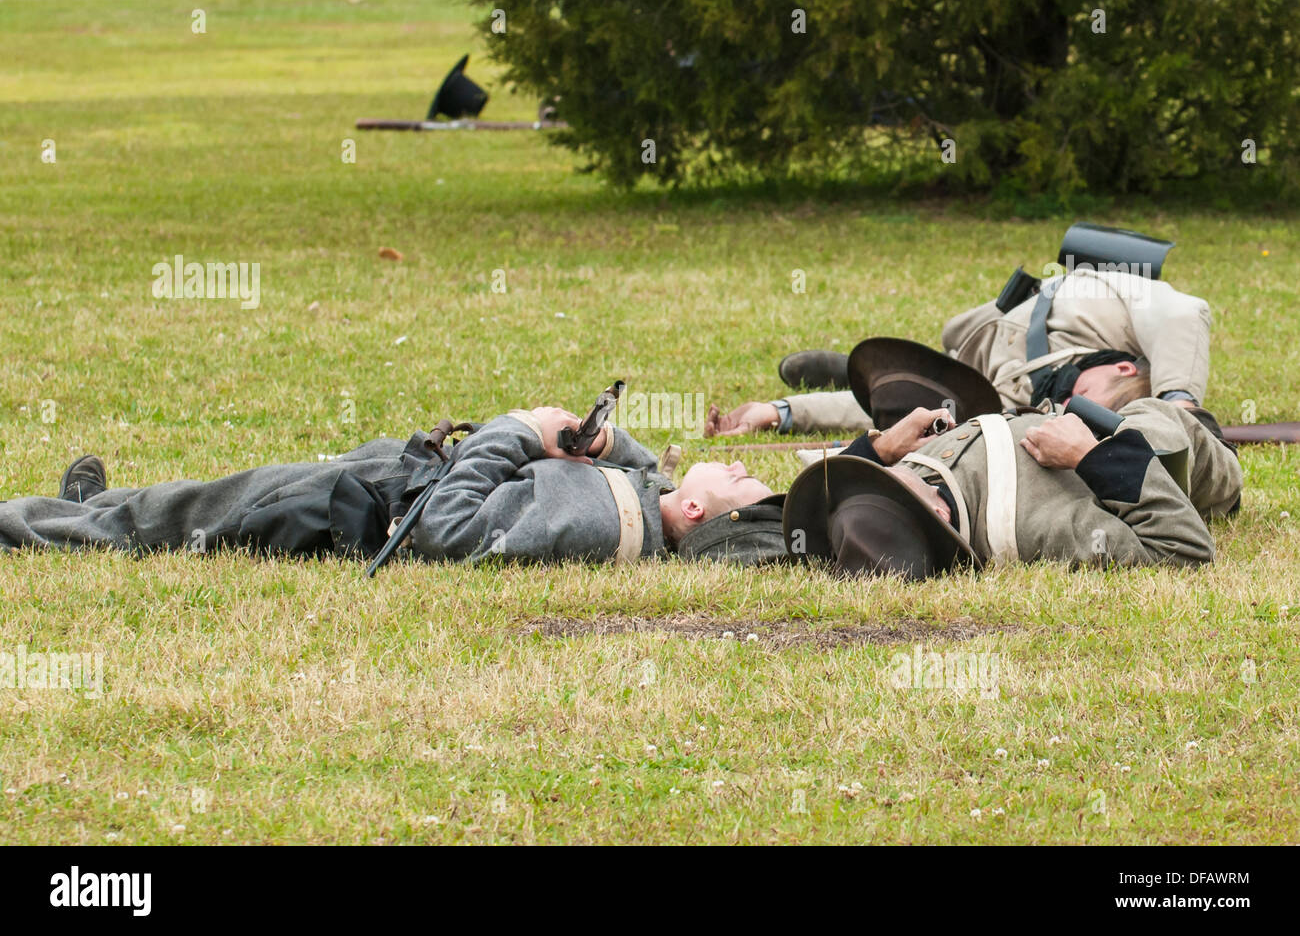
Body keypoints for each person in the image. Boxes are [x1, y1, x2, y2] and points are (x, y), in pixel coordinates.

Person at [0, 407, 773, 564]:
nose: (739, 463)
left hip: (362, 507)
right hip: (383, 476)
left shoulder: (606, 523)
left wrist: (515, 430)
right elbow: (642, 475)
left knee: (175, 517)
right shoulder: (645, 500)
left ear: (697, 510)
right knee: (188, 500)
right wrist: (600, 439)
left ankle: (35, 525)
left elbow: (449, 527)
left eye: (740, 479)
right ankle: (85, 514)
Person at [706, 265, 1211, 437]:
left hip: (973, 360)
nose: (1070, 407)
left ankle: (869, 371)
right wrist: (1179, 402)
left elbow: (920, 412)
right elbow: (1185, 314)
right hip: (1018, 313)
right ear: (1123, 367)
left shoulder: (1033, 407)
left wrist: (780, 412)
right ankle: (860, 365)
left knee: (915, 390)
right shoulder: (1118, 317)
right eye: (1087, 399)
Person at [783, 397, 1243, 580]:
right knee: (1173, 420)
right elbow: (1182, 549)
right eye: (890, 483)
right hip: (1172, 443)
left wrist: (879, 449)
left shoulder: (903, 494)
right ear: (940, 516)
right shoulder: (1035, 528)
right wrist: (1091, 457)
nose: (891, 471)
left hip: (1062, 408)